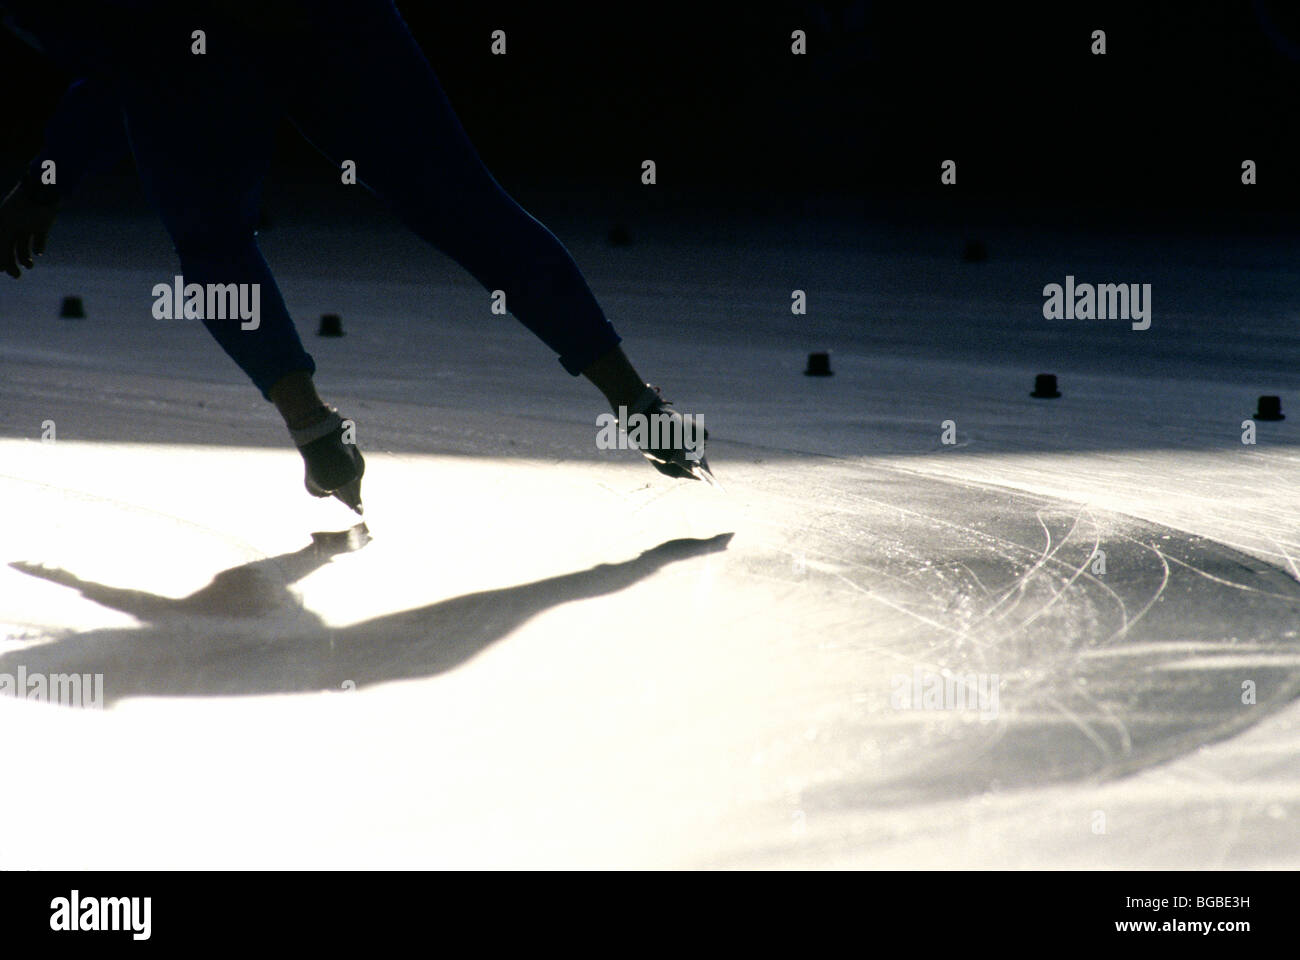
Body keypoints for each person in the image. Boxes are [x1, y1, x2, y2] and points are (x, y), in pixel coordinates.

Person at [0, 0, 710, 514]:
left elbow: (129, 57)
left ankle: (313, 428)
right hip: (327, 21)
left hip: (188, 46)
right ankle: (637, 404)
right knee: (465, 204)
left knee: (214, 240)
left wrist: (44, 181)